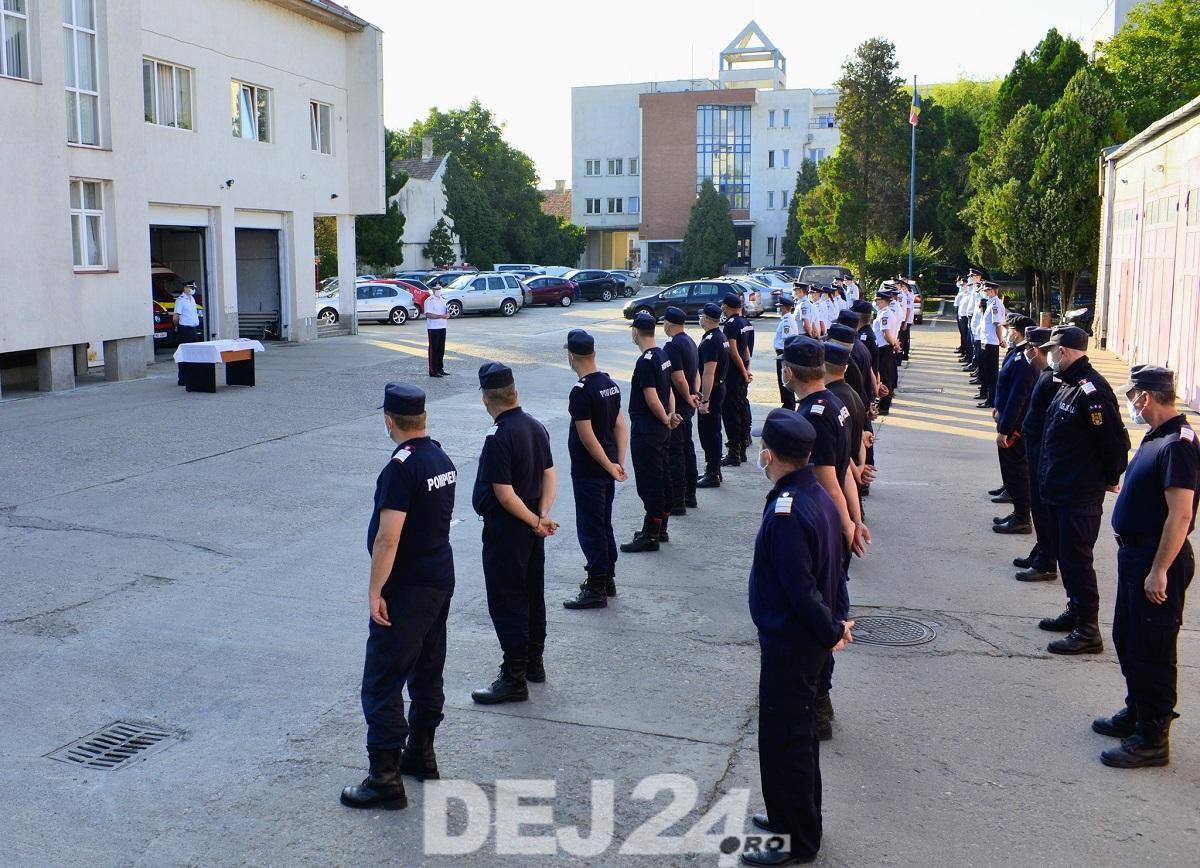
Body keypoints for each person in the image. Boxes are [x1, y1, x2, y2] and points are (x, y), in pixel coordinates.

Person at [743, 408, 854, 867]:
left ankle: (796, 841)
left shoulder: (788, 510)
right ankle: (790, 818)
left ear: (770, 455)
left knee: (786, 743)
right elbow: (836, 568)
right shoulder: (814, 493)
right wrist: (837, 622)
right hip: (804, 641)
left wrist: (831, 629)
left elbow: (800, 587)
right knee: (796, 737)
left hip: (792, 645)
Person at [341, 383, 457, 811]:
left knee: (382, 680)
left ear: (390, 421)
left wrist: (375, 590)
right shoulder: (441, 458)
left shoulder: (400, 468)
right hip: (438, 578)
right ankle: (421, 753)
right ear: (423, 418)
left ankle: (384, 778)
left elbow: (388, 538)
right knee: (427, 669)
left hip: (407, 587)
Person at [1092, 365, 1198, 768]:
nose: (1130, 403)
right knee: (1128, 637)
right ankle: (1137, 710)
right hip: (1136, 556)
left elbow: (1180, 515)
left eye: (1131, 396)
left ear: (1145, 397)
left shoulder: (1177, 444)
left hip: (1156, 559)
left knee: (1152, 648)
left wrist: (1159, 570)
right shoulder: (1158, 435)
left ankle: (1153, 737)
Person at [780, 337, 869, 740]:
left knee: (817, 613)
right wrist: (854, 518)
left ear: (789, 372)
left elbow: (829, 479)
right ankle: (816, 700)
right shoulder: (834, 402)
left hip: (820, 527)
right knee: (828, 605)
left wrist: (847, 526)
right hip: (834, 523)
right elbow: (847, 467)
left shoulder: (812, 415)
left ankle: (817, 704)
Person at [1036, 326, 1130, 655]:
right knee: (1066, 556)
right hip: (1060, 487)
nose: (1049, 356)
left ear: (1063, 352)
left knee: (1077, 560)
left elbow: (1113, 442)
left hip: (1079, 493)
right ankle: (1076, 610)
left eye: (1052, 351)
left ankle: (1088, 629)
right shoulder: (1068, 384)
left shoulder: (1092, 391)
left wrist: (1110, 476)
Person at [470, 362, 558, 704]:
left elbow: (504, 495)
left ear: (485, 400)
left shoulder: (499, 436)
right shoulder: (535, 426)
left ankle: (514, 677)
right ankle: (534, 663)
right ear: (514, 392)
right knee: (533, 593)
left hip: (509, 530)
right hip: (532, 526)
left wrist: (534, 521)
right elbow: (550, 474)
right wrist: (542, 514)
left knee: (508, 600)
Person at [561, 330, 627, 610]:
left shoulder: (581, 392)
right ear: (593, 353)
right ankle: (607, 578)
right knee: (603, 523)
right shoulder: (609, 384)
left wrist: (610, 466)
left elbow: (587, 438)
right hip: (607, 467)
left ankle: (596, 586)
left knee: (591, 527)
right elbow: (620, 426)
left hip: (590, 471)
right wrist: (617, 463)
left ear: (571, 356)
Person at [622, 311, 680, 553]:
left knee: (650, 482)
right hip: (662, 428)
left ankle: (651, 535)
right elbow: (669, 391)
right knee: (663, 477)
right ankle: (661, 528)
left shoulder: (645, 361)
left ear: (636, 332)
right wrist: (671, 415)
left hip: (648, 429)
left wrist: (665, 417)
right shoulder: (662, 354)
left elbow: (652, 396)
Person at [1013, 327, 1060, 582]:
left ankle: (1046, 561)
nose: (1028, 352)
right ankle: (1040, 550)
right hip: (1035, 448)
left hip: (1043, 450)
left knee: (1043, 510)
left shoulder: (1053, 379)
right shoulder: (1045, 375)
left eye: (1032, 348)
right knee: (1038, 507)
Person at [992, 316, 1037, 535]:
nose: (1007, 333)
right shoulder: (1017, 354)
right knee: (1011, 470)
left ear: (1017, 332)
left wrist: (1006, 429)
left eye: (1009, 330)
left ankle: (1022, 517)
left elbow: (1017, 398)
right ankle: (1018, 511)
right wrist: (998, 408)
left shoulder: (1024, 361)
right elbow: (1005, 389)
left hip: (1016, 426)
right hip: (1008, 419)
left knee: (1017, 471)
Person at [663, 307, 701, 514]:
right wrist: (694, 394)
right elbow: (696, 373)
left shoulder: (672, 346)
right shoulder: (689, 341)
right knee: (687, 448)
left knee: (676, 452)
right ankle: (690, 494)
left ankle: (678, 500)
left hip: (679, 405)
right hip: (688, 404)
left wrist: (687, 397)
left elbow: (678, 378)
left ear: (669, 324)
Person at [696, 303, 730, 489]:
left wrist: (705, 400)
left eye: (702, 316)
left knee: (709, 433)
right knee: (713, 431)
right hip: (719, 387)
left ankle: (712, 473)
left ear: (708, 319)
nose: (700, 319)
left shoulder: (710, 341)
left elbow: (708, 373)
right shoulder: (720, 336)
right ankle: (714, 469)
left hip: (713, 390)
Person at [720, 293, 755, 467]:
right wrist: (747, 370)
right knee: (742, 408)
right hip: (742, 375)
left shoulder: (730, 325)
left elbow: (733, 351)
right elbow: (747, 351)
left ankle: (734, 452)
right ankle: (742, 448)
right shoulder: (746, 323)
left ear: (726, 307)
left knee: (731, 414)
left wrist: (742, 371)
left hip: (733, 376)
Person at [872, 290, 900, 415]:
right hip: (884, 348)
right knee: (885, 375)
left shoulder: (885, 315)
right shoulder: (884, 313)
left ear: (883, 301)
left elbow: (886, 333)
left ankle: (884, 406)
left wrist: (893, 344)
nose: (875, 302)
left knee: (885, 376)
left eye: (877, 300)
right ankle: (883, 402)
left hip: (884, 348)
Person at [773, 294, 800, 410]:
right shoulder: (787, 319)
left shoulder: (786, 321)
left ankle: (789, 404)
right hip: (783, 353)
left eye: (780, 307)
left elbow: (787, 339)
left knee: (785, 379)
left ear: (784, 308)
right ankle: (788, 403)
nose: (779, 310)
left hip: (784, 353)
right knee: (783, 379)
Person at [173, 280, 201, 386]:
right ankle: (183, 379)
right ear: (185, 288)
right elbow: (176, 316)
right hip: (184, 330)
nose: (193, 290)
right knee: (184, 354)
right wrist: (177, 327)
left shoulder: (192, 299)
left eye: (193, 288)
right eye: (191, 288)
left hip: (193, 329)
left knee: (193, 354)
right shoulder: (180, 300)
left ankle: (192, 376)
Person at [423, 284, 450, 377]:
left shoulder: (443, 299)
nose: (438, 290)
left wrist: (447, 315)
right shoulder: (429, 300)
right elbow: (428, 315)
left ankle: (440, 369)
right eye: (436, 289)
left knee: (441, 349)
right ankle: (433, 371)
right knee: (434, 349)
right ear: (433, 290)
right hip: (433, 328)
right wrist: (441, 316)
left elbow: (446, 310)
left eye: (439, 289)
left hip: (443, 326)